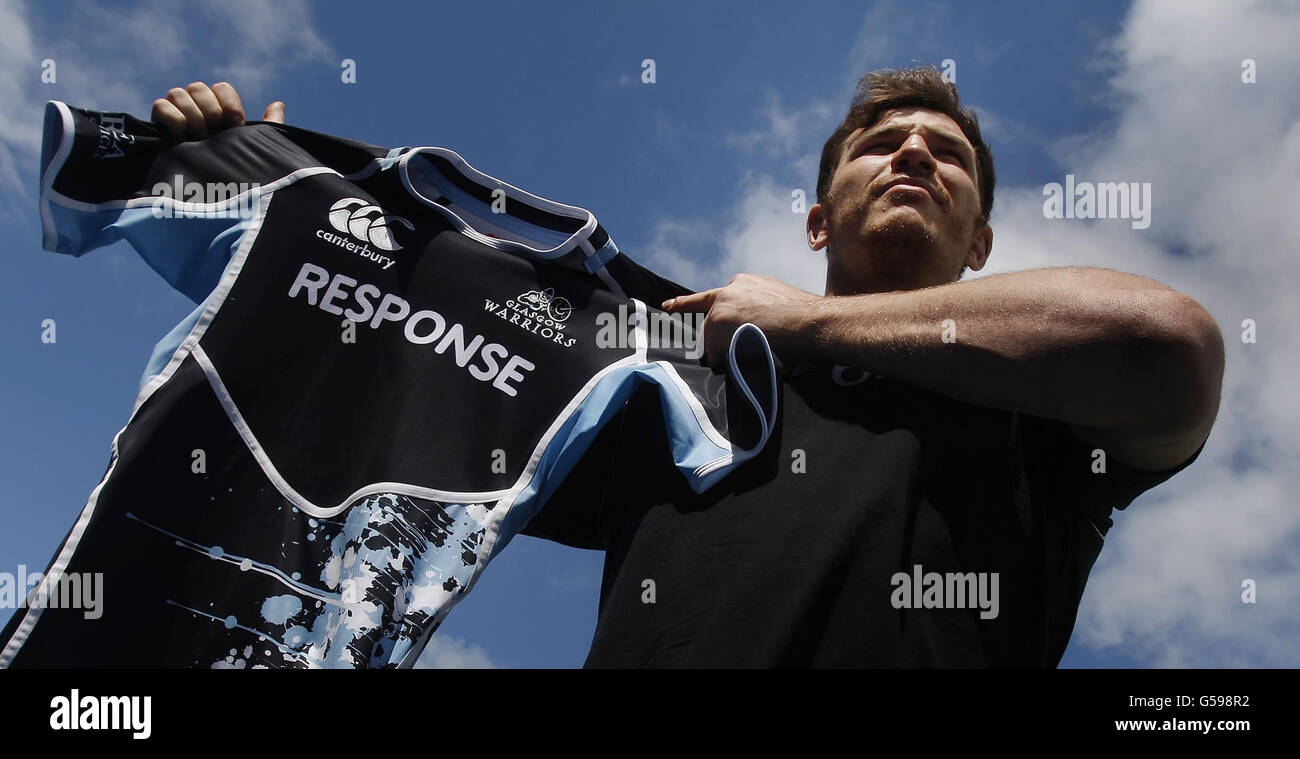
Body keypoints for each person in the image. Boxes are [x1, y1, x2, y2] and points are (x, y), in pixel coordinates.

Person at [152, 68, 1224, 667]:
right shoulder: (668, 381)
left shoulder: (1041, 412)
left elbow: (1164, 342)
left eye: (945, 155)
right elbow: (409, 348)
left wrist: (803, 326)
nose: (912, 155)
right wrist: (275, 197)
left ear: (981, 241)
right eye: (880, 142)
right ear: (816, 218)